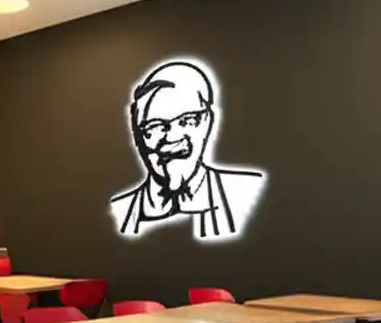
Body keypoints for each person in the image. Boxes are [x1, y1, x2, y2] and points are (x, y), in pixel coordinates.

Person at [109, 59, 264, 241]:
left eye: (187, 121)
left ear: (207, 123)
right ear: (137, 135)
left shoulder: (248, 192)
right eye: (155, 126)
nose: (172, 137)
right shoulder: (118, 210)